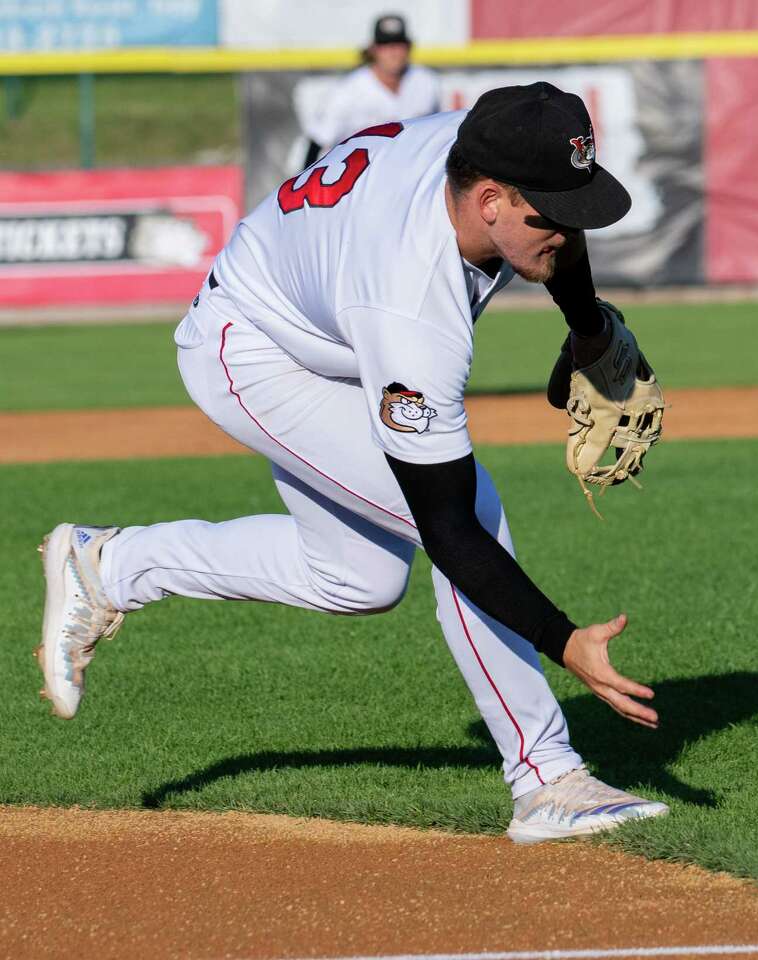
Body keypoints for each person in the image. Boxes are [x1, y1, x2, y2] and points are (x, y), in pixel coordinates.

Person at [36, 82, 669, 844]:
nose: (566, 231)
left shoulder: (479, 156)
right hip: (258, 351)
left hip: (325, 317)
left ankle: (112, 565)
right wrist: (565, 641)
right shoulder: (412, 306)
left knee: (359, 579)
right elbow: (449, 531)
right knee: (472, 521)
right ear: (491, 199)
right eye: (550, 215)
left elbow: (556, 223)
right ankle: (546, 779)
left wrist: (590, 326)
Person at [300, 14, 440, 168]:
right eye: (386, 45)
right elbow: (318, 141)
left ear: (408, 47)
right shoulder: (349, 90)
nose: (393, 52)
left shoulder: (426, 82)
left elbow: (438, 135)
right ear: (373, 49)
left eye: (398, 44)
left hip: (411, 171)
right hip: (359, 176)